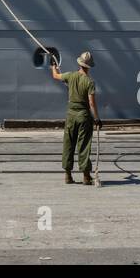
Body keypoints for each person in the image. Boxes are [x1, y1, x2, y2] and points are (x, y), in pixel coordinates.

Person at [50, 51, 101, 185]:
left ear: (79, 63)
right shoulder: (90, 82)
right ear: (89, 66)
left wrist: (53, 67)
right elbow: (91, 103)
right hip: (84, 116)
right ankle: (86, 176)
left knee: (68, 143)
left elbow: (55, 76)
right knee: (83, 145)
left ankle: (67, 175)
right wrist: (97, 119)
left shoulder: (70, 76)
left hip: (71, 115)